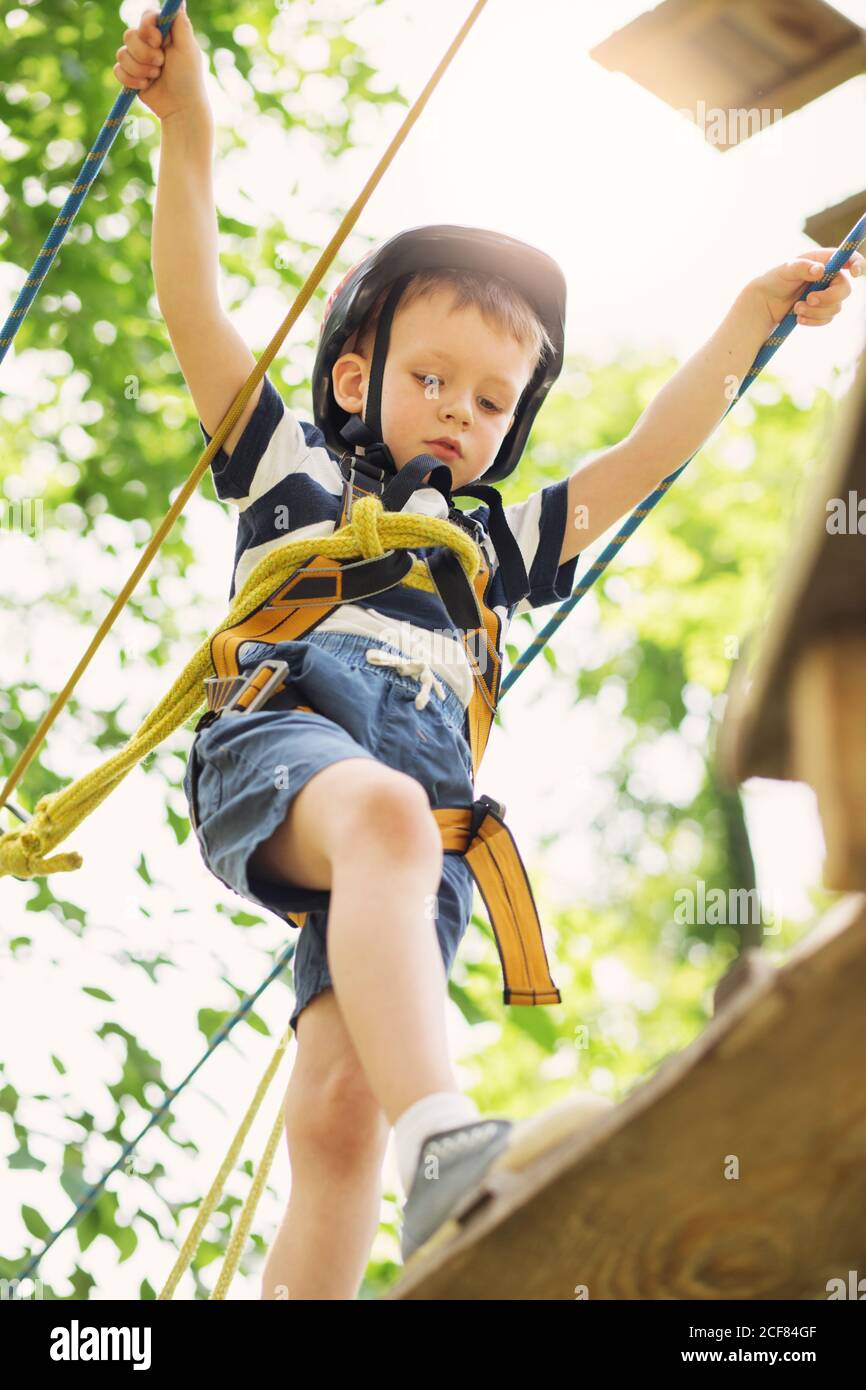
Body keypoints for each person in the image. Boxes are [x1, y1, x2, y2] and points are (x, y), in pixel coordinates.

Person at [114, 4, 863, 1298]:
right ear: (357, 379)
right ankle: (452, 1146)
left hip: (411, 843)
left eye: (489, 398)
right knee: (394, 822)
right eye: (432, 378)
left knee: (345, 1107)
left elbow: (640, 459)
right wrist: (192, 129)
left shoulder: (494, 544)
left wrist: (743, 324)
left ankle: (370, 1214)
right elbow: (196, 303)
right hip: (283, 744)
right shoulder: (293, 468)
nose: (458, 412)